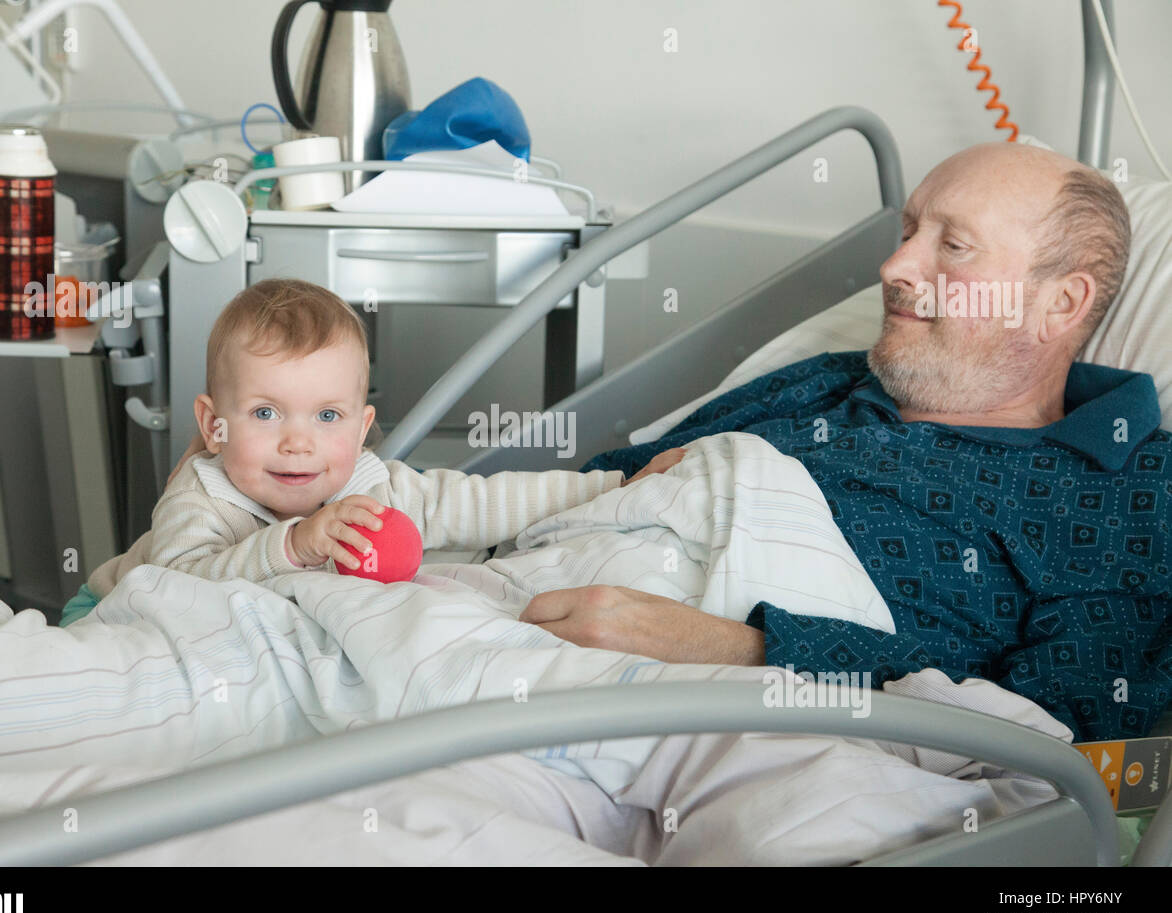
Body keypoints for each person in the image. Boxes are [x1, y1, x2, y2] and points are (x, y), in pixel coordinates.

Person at [531, 142, 1171, 743]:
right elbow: (600, 490)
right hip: (528, 627)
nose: (894, 267)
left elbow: (1053, 736)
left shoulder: (1131, 496)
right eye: (909, 232)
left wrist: (729, 650)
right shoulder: (830, 380)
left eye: (953, 245)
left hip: (749, 749)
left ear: (1060, 303)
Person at [63, 279, 675, 623]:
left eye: (327, 416)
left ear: (361, 429)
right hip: (105, 608)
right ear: (213, 424)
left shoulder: (369, 485)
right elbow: (175, 585)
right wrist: (295, 544)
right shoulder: (202, 495)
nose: (298, 441)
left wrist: (612, 485)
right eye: (265, 413)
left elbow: (486, 502)